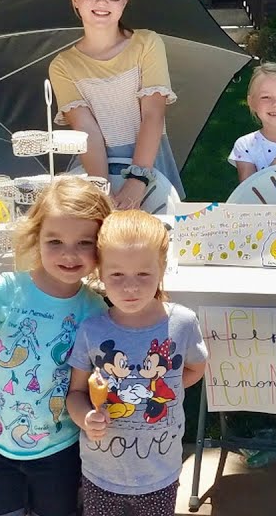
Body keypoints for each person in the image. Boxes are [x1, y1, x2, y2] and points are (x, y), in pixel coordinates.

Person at [0, 177, 112, 516]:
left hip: (60, 446)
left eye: (84, 243)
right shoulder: (3, 292)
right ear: (35, 237)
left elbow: (90, 382)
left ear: (101, 246)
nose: (69, 254)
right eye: (55, 241)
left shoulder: (95, 311)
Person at [66, 209, 207, 516]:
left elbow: (197, 367)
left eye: (143, 274)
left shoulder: (182, 323)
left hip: (160, 474)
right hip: (100, 474)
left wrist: (164, 388)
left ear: (162, 268)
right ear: (100, 272)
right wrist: (86, 417)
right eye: (117, 275)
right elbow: (75, 393)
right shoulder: (92, 330)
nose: (131, 287)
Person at [49, 0, 183, 211]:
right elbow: (86, 131)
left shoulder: (147, 44)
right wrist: (102, 190)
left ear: (124, 0)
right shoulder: (63, 65)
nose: (102, 0)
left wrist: (138, 179)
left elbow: (153, 114)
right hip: (93, 168)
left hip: (148, 163)